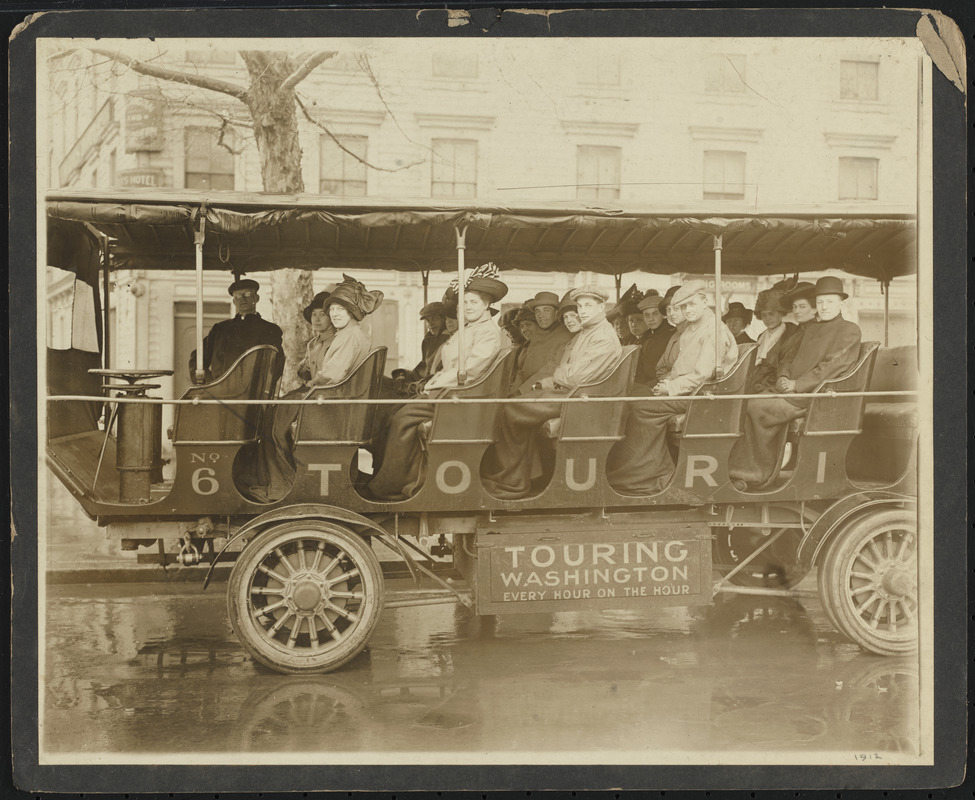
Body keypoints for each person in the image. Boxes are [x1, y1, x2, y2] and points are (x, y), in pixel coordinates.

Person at [367, 273, 509, 500]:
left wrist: (438, 381)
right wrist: (437, 379)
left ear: (487, 304)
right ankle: (396, 477)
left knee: (401, 419)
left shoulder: (487, 332)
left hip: (462, 398)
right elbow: (453, 366)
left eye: (473, 302)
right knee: (393, 412)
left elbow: (471, 370)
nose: (468, 307)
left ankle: (398, 483)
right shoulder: (468, 328)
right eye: (464, 303)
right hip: (449, 392)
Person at [247, 276, 383, 501]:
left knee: (275, 425)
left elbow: (331, 376)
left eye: (341, 310)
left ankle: (283, 484)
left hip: (330, 401)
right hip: (332, 398)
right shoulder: (347, 335)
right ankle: (277, 480)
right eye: (333, 310)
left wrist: (311, 384)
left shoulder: (349, 337)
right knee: (274, 417)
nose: (335, 314)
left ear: (352, 312)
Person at [482, 285, 622, 500]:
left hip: (582, 400)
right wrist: (561, 375)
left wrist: (559, 374)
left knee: (511, 410)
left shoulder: (602, 336)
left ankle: (513, 482)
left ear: (601, 307)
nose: (583, 311)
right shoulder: (588, 332)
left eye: (588, 306)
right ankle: (522, 476)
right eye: (580, 306)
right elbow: (568, 371)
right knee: (511, 407)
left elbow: (575, 376)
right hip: (573, 395)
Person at [729, 276, 862, 490]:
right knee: (746, 402)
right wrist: (783, 376)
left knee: (755, 407)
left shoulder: (849, 330)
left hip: (814, 396)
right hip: (792, 391)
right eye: (820, 302)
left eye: (829, 301)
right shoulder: (809, 329)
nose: (824, 307)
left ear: (841, 303)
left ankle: (756, 473)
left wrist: (797, 384)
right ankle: (747, 469)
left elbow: (831, 367)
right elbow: (788, 358)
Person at [606, 281, 737, 496]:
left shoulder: (713, 331)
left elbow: (703, 375)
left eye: (692, 304)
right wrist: (667, 383)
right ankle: (644, 471)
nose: (688, 310)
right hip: (690, 391)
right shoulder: (693, 328)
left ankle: (653, 475)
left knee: (641, 408)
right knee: (635, 401)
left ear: (705, 301)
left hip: (703, 395)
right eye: (684, 307)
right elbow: (680, 368)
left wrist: (670, 387)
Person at [189, 278, 283, 386]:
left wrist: (260, 387)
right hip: (220, 390)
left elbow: (277, 364)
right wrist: (210, 384)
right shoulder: (220, 329)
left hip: (252, 391)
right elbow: (197, 359)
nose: (242, 299)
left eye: (247, 294)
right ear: (234, 301)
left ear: (256, 298)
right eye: (238, 296)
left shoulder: (270, 330)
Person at [751, 281, 813, 393]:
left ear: (780, 314)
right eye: (764, 315)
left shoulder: (792, 331)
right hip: (757, 381)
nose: (768, 318)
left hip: (775, 383)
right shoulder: (761, 336)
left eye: (771, 314)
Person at [510, 291, 574, 395]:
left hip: (546, 389)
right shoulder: (537, 335)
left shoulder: (566, 335)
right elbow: (523, 370)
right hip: (527, 389)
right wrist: (512, 392)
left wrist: (520, 391)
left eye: (546, 310)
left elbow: (552, 367)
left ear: (556, 313)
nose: (541, 315)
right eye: (537, 311)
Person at [296, 291, 335, 384]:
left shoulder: (337, 342)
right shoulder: (312, 344)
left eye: (322, 314)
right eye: (314, 314)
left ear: (331, 318)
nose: (317, 319)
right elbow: (303, 372)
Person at [634, 293, 674, 385]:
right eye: (646, 315)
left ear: (664, 315)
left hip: (661, 384)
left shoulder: (672, 335)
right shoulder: (645, 337)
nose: (651, 319)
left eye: (655, 314)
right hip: (645, 385)